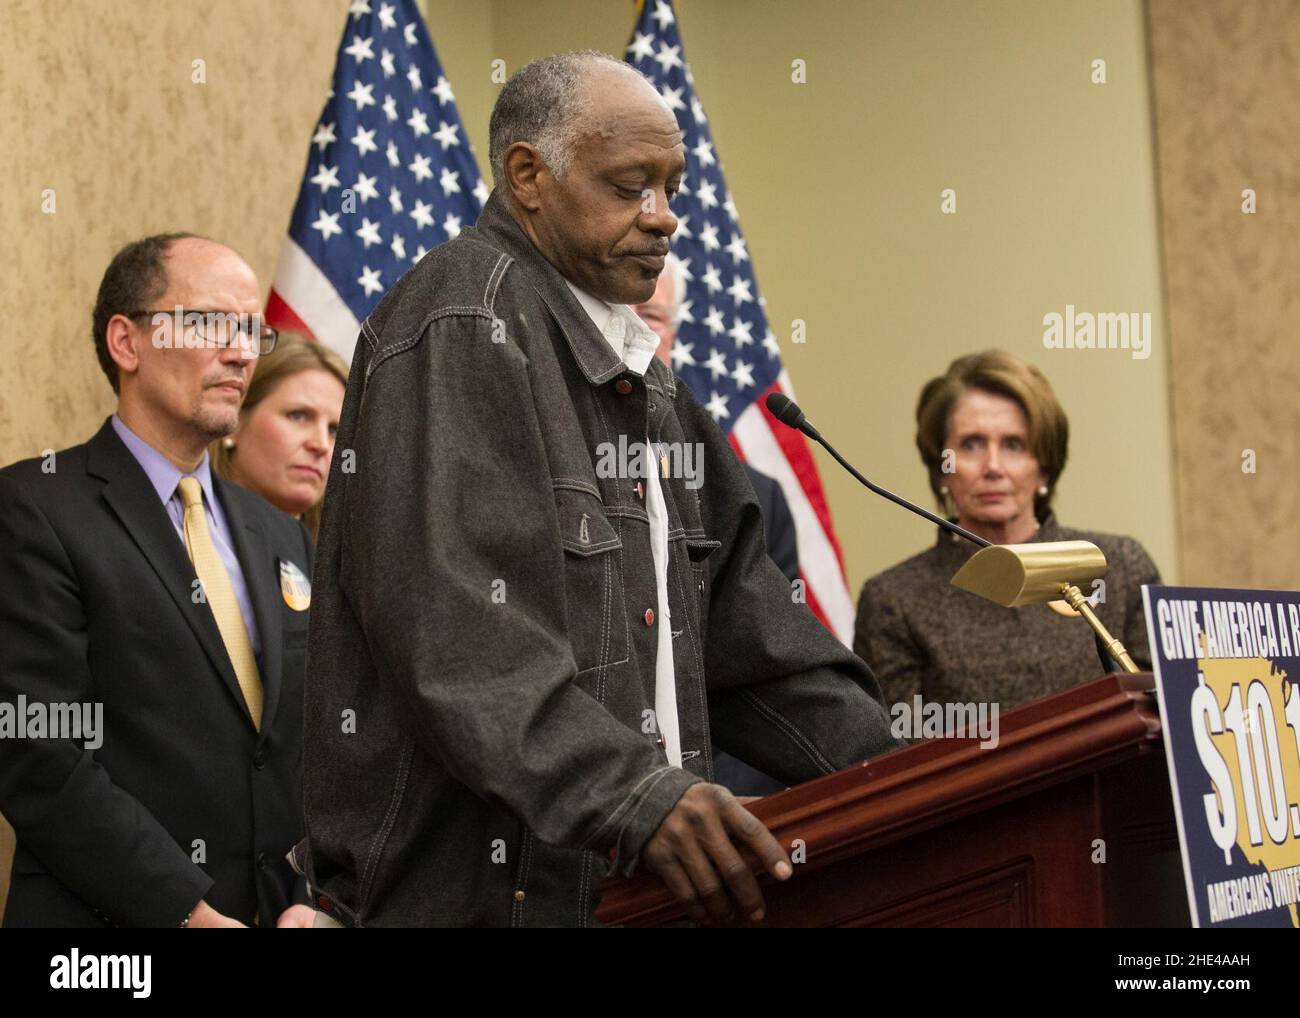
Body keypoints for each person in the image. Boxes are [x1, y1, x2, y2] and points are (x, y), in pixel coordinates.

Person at [303, 51, 898, 928]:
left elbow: (753, 644)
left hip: (624, 898)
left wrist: (910, 769)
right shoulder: (464, 320)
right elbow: (462, 634)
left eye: (671, 188)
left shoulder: (648, 384)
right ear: (527, 176)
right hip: (483, 902)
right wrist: (632, 796)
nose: (662, 218)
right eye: (629, 186)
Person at [0, 234, 316, 927]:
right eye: (212, 324)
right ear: (127, 342)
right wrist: (188, 914)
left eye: (251, 332)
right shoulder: (34, 510)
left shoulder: (280, 533)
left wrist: (309, 896)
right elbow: (38, 753)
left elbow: (308, 742)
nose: (242, 353)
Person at [853, 349, 1160, 715]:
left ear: (1044, 467)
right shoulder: (893, 601)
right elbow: (897, 756)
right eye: (971, 445)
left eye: (1013, 445)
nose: (993, 467)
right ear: (941, 470)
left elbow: (1163, 717)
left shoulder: (1119, 566)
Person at [634, 252, 793, 797]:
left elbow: (771, 668)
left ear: (673, 339)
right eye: (615, 311)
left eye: (650, 318)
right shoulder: (537, 468)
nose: (632, 330)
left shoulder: (753, 497)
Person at [211, 332, 347, 540]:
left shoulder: (347, 566)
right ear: (234, 421)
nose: (321, 445)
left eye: (334, 430)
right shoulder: (183, 533)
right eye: (298, 416)